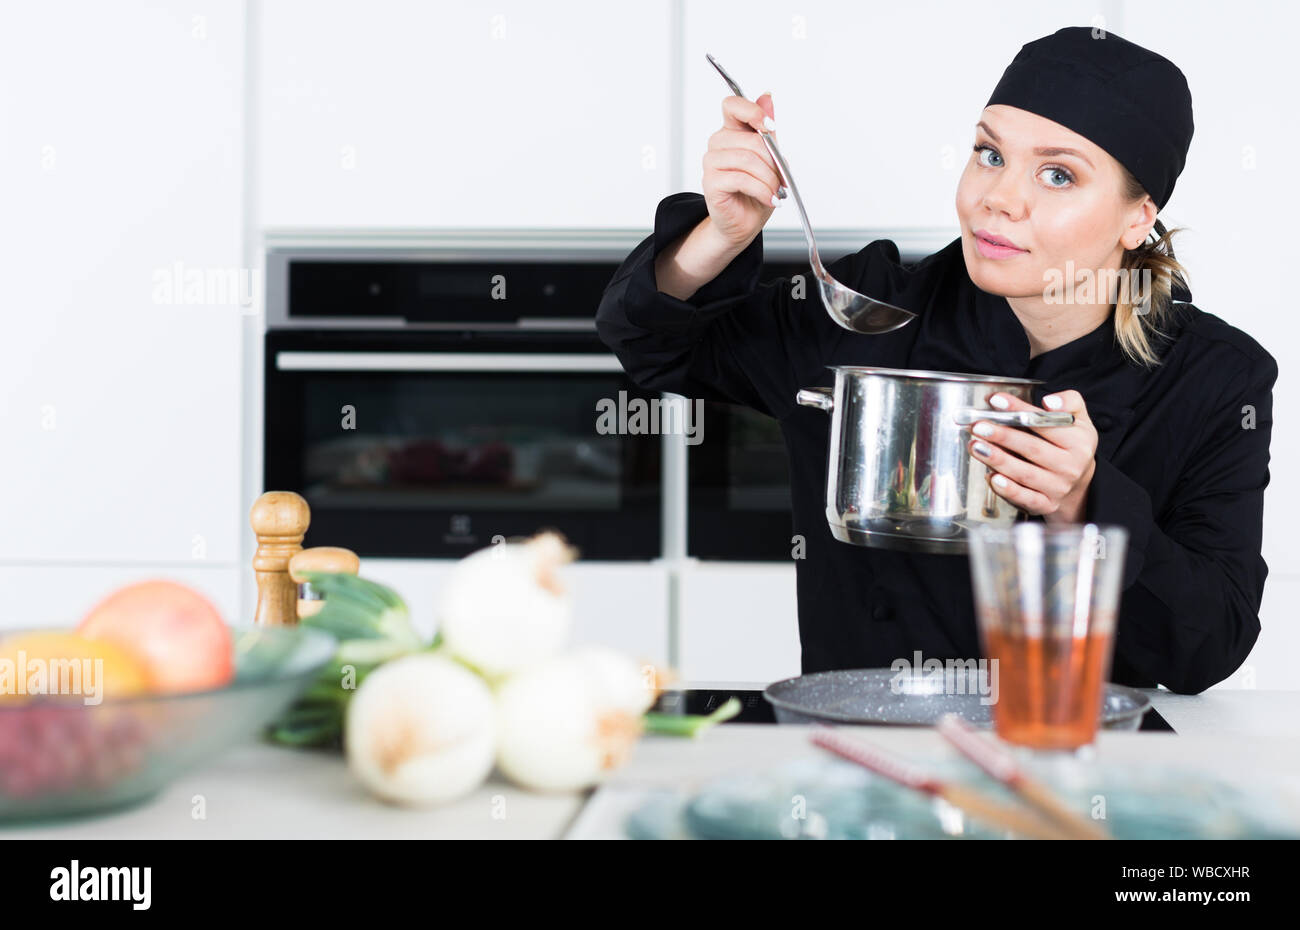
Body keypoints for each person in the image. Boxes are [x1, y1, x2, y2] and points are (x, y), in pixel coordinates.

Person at [595, 26, 1277, 694]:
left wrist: (1085, 504)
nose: (998, 198)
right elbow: (654, 348)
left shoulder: (1215, 379)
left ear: (1137, 219)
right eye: (989, 153)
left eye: (1058, 174)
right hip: (860, 754)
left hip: (1069, 773)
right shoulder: (866, 309)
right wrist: (722, 233)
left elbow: (1205, 647)